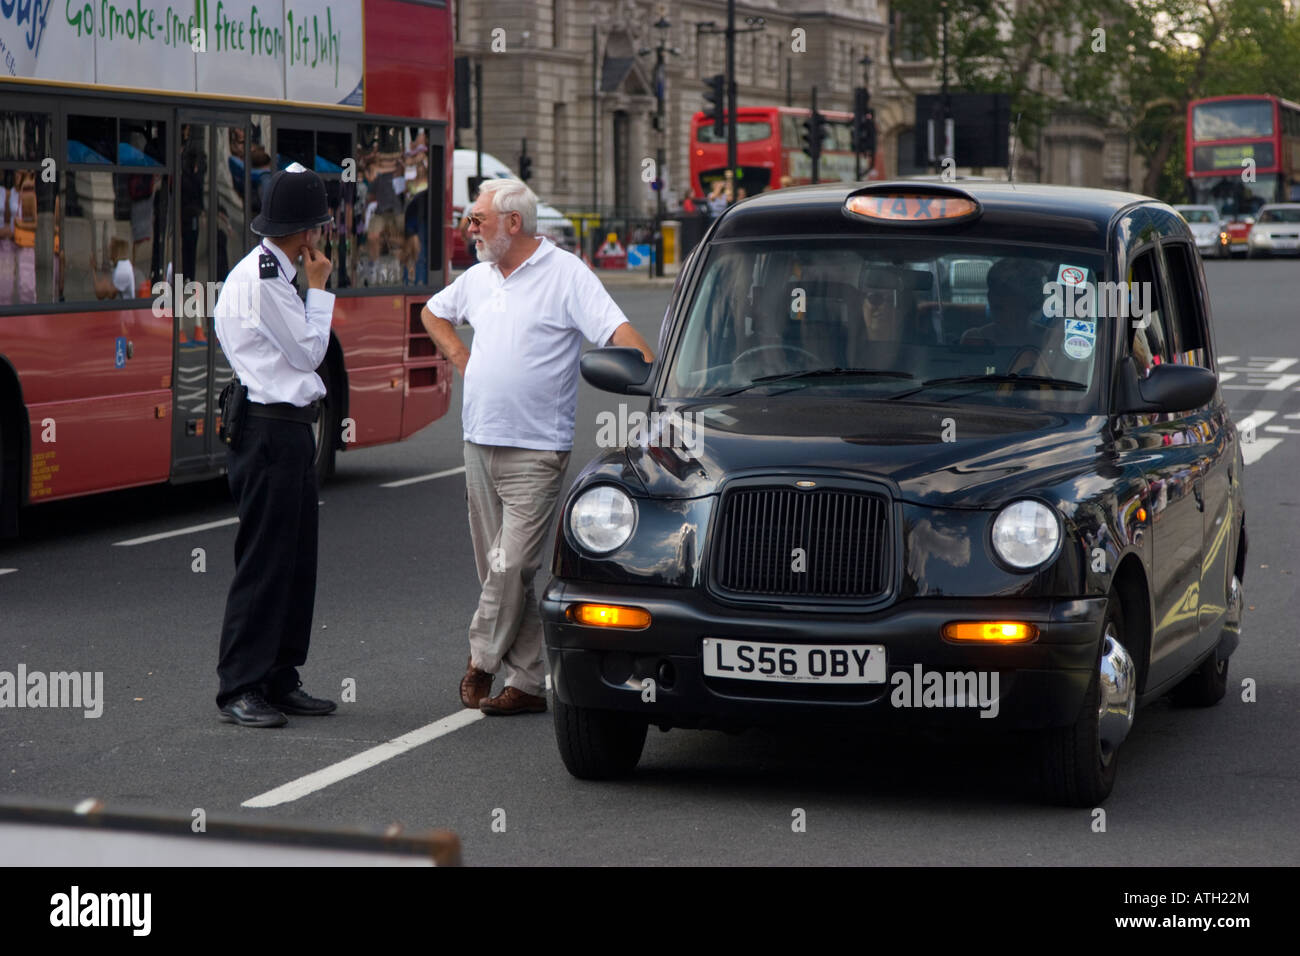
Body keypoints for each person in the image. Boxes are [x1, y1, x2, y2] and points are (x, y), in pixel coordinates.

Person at [420, 178, 654, 716]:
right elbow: (433, 312)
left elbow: (617, 334)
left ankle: (481, 658)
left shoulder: (566, 275)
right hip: (478, 442)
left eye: (477, 219)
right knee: (499, 571)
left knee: (511, 565)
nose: (468, 228)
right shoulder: (479, 277)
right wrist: (460, 356)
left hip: (536, 450)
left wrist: (655, 384)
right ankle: (526, 684)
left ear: (513, 223)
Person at [211, 163, 337, 728]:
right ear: (309, 230)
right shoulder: (266, 278)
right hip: (269, 428)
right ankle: (241, 685)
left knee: (295, 560)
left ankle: (280, 675)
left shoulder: (268, 271)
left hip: (284, 426)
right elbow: (310, 352)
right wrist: (323, 291)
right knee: (264, 563)